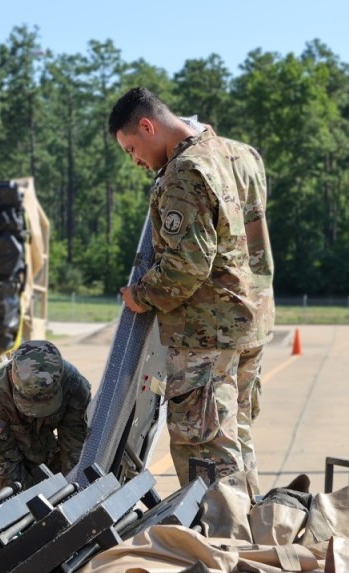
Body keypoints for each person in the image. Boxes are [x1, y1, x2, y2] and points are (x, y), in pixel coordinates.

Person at [107, 87, 274, 536]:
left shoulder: (185, 172)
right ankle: (256, 537)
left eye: (132, 149)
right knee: (236, 438)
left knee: (208, 450)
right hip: (251, 325)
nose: (136, 161)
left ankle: (227, 551)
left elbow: (186, 267)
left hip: (207, 337)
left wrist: (139, 295)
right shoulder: (243, 155)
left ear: (148, 126)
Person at [0, 340, 91, 491]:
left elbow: (75, 448)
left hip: (41, 454)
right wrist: (33, 501)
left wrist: (72, 491)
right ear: (12, 375)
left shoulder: (74, 385)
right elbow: (2, 465)